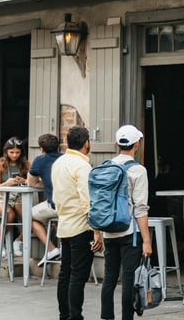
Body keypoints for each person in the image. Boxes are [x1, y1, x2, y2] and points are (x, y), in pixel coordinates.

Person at [100, 125, 152, 320]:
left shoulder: (106, 166)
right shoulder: (138, 170)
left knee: (110, 278)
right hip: (130, 232)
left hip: (109, 230)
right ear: (136, 145)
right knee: (129, 279)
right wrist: (146, 240)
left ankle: (106, 317)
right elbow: (140, 208)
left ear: (116, 144)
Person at [53, 126, 103, 320]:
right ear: (86, 143)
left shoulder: (60, 162)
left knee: (65, 273)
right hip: (81, 226)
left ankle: (64, 315)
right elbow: (87, 201)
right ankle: (76, 316)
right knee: (78, 276)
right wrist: (96, 231)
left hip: (65, 223)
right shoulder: (82, 166)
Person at [0, 136, 31, 258]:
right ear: (6, 152)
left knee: (31, 218)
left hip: (17, 197)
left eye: (17, 152)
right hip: (0, 197)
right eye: (11, 152)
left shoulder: (25, 164)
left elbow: (33, 180)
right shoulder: (0, 164)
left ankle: (18, 241)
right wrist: (6, 184)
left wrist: (24, 180)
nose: (14, 155)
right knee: (9, 214)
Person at [28, 132, 64, 266]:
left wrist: (46, 183)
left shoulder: (40, 160)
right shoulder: (64, 158)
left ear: (41, 149)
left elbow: (31, 183)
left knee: (28, 216)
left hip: (55, 206)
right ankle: (62, 248)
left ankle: (52, 249)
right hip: (70, 207)